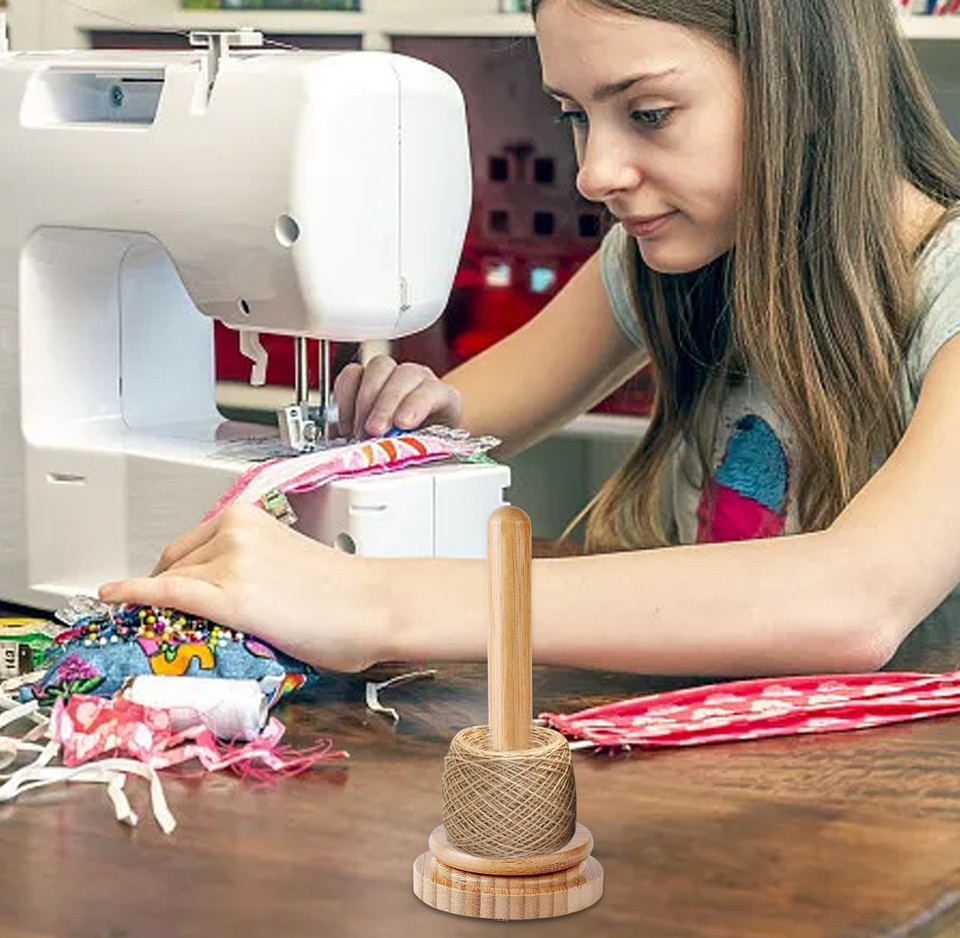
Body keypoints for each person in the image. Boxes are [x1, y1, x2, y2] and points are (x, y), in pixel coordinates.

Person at [100, 0, 960, 679]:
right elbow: (468, 424)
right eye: (575, 115)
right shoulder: (677, 251)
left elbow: (858, 597)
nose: (594, 174)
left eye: (650, 113)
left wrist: (372, 603)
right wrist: (412, 432)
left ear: (804, 83)